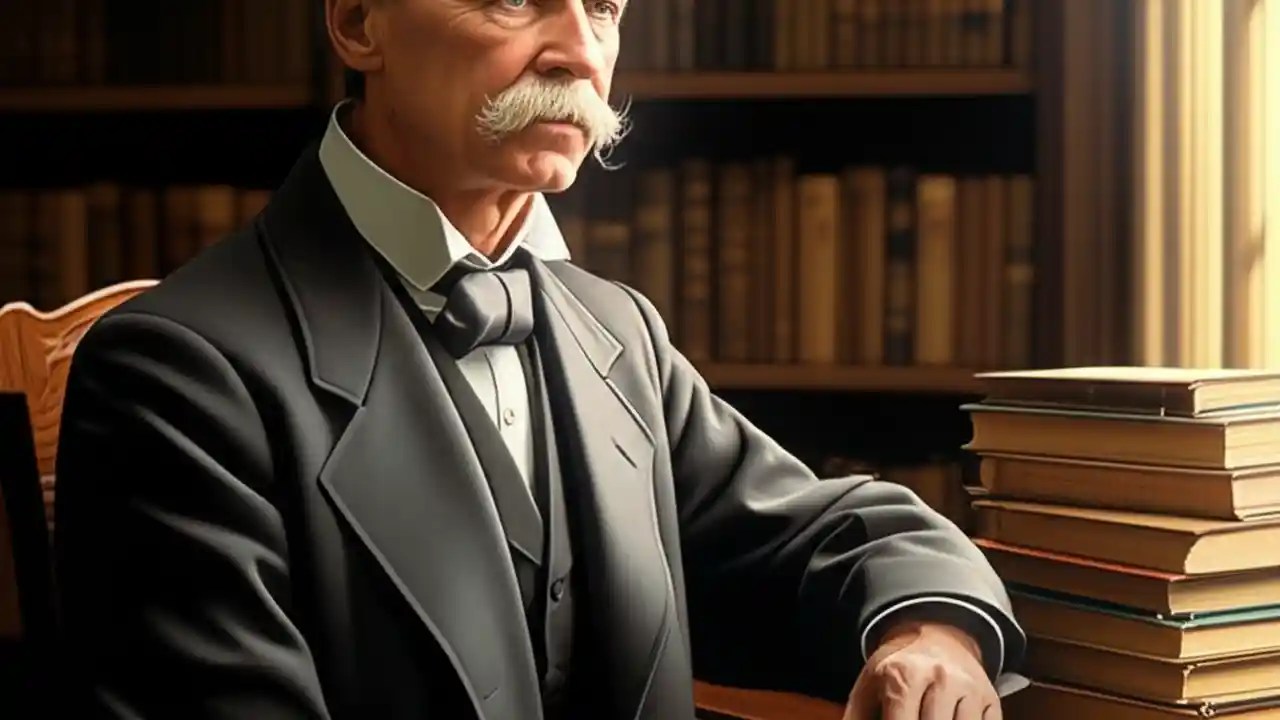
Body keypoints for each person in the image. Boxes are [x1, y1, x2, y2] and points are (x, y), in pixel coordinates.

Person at [53, 0, 1026, 718]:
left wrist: (926, 632)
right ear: (356, 23)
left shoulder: (614, 331)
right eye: (513, 1)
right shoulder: (173, 377)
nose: (578, 51)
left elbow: (817, 533)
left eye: (602, 7)